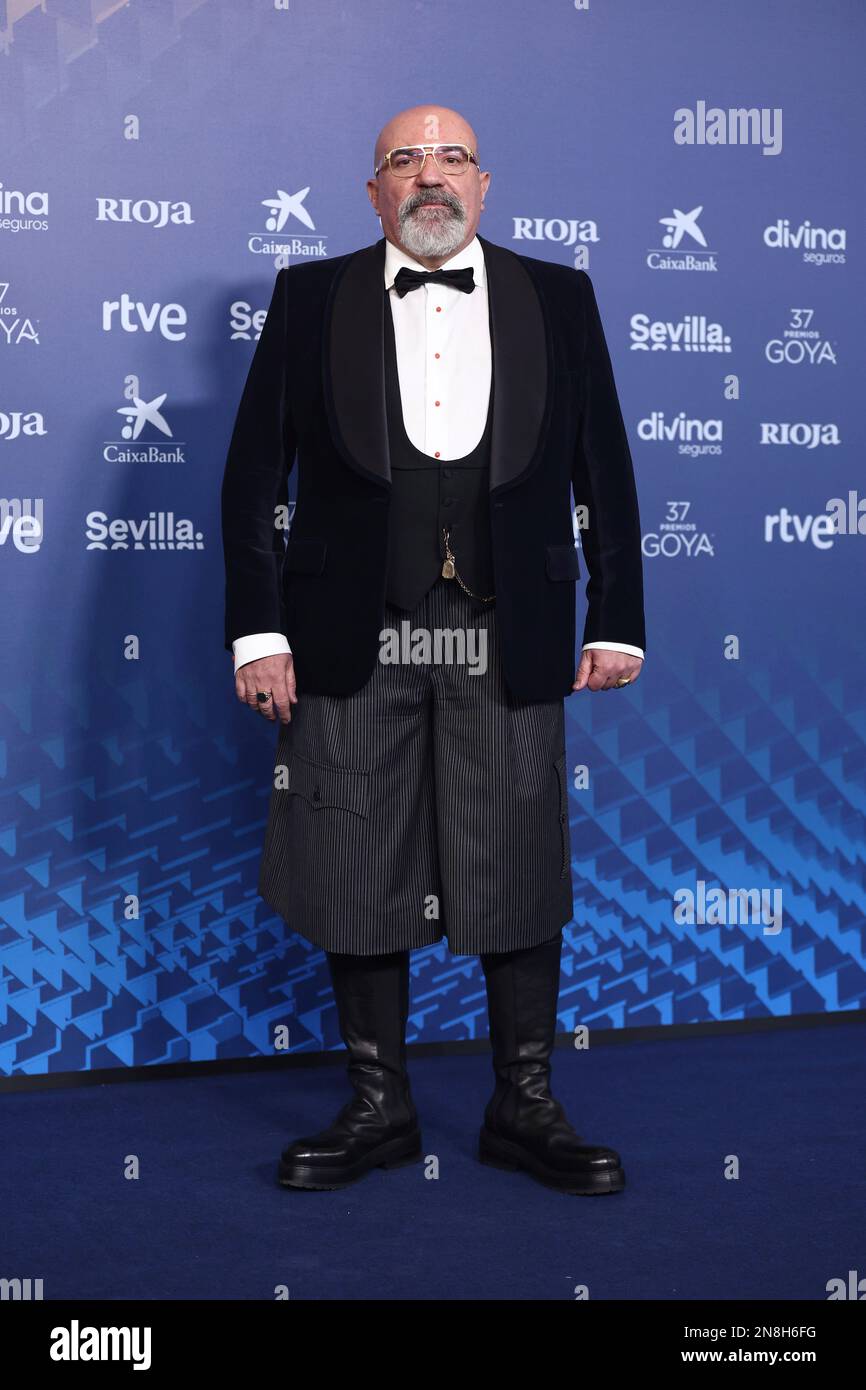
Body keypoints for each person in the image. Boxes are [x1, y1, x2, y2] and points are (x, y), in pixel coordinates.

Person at [220, 105, 646, 1196]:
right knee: (352, 852)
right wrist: (260, 633)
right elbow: (252, 477)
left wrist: (616, 615)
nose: (428, 175)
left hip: (514, 625)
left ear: (484, 183)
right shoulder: (309, 297)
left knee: (515, 849)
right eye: (402, 159)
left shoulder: (560, 294)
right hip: (345, 630)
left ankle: (523, 1103)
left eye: (449, 155)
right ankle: (378, 1107)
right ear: (372, 192)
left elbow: (604, 467)